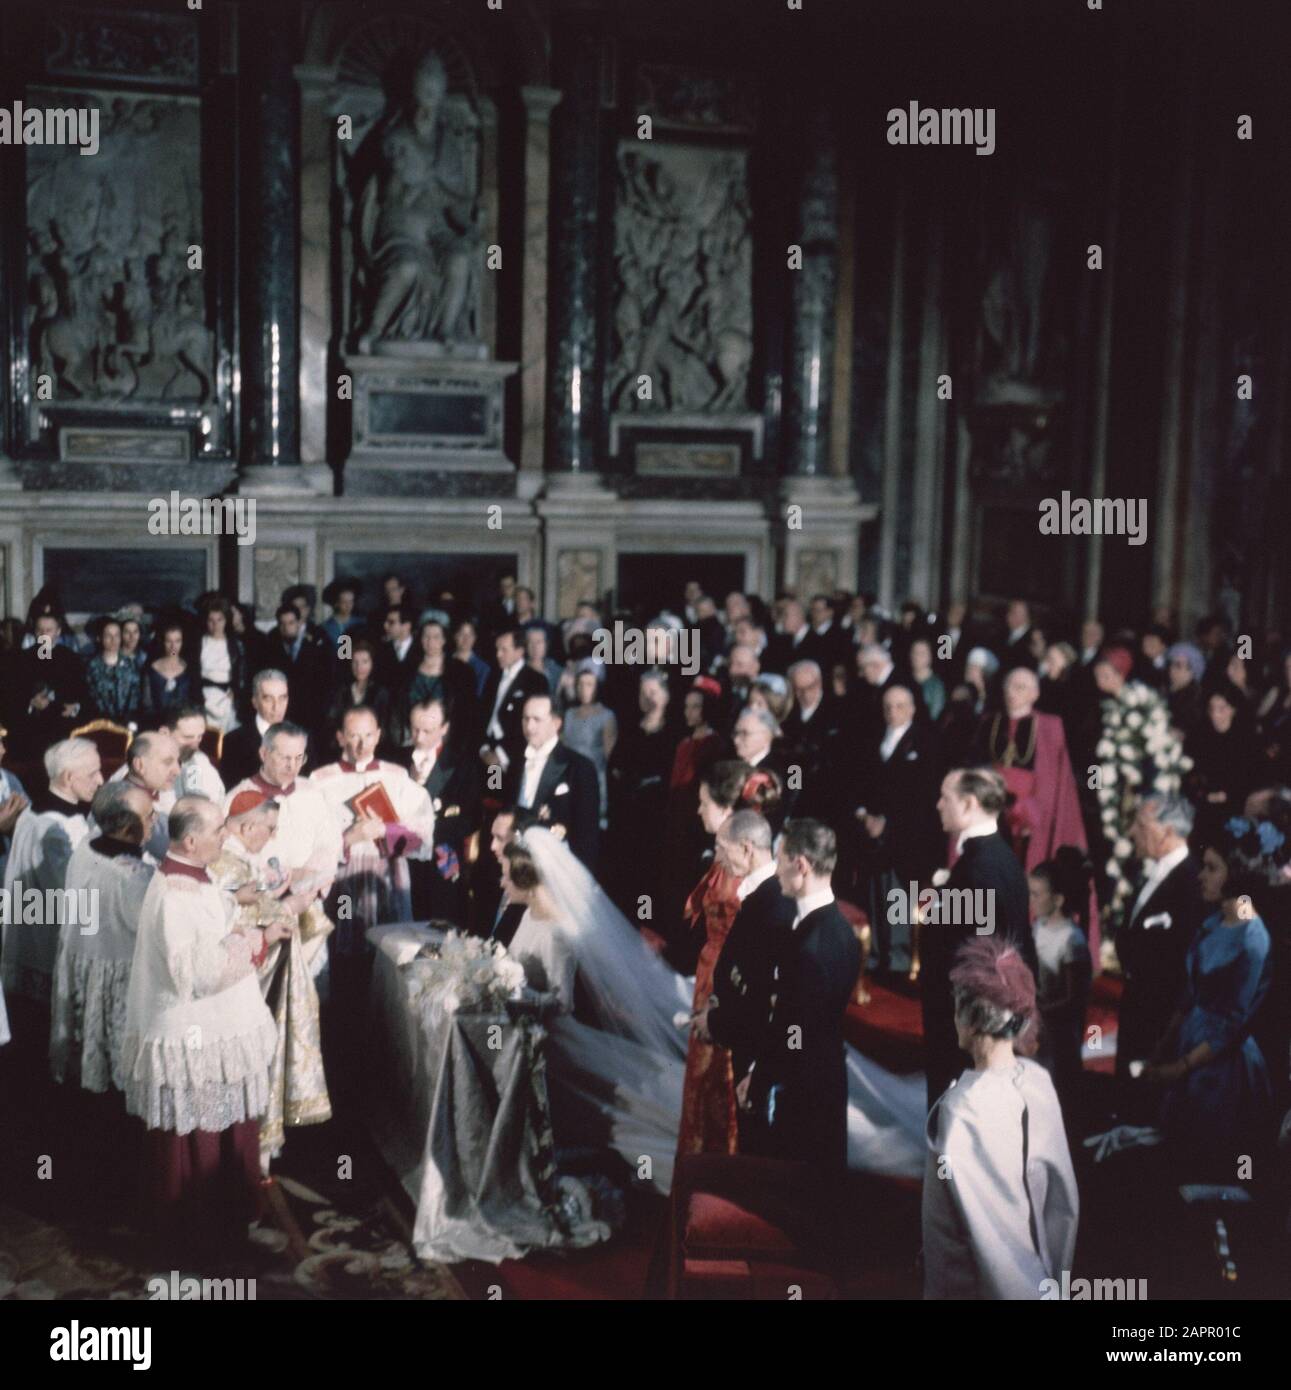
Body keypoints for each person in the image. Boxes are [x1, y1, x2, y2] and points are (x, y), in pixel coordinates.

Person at [121, 796, 288, 1259]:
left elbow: (207, 915)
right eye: (218, 830)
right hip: (195, 1034)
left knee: (221, 1123)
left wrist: (236, 905)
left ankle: (224, 1222)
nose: (226, 835)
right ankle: (201, 1235)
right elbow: (197, 974)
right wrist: (258, 940)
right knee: (201, 1133)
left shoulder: (189, 874)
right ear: (191, 840)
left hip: (212, 1031)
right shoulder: (175, 893)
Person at [921, 936, 1079, 1300]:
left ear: (970, 1019)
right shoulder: (1038, 1082)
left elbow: (997, 1248)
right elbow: (1062, 1209)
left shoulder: (963, 1112)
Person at [1143, 816, 1279, 1179]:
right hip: (1191, 1038)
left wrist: (1179, 1067)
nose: (1201, 875)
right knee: (1175, 1160)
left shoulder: (1253, 937)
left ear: (1237, 873)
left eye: (1212, 868)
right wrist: (1165, 1042)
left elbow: (1234, 1024)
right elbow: (1190, 993)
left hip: (1221, 1064)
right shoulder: (1213, 922)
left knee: (1208, 1162)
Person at [209, 790, 331, 1172]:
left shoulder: (232, 858)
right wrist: (294, 907)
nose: (273, 838)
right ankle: (245, 1170)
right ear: (246, 826)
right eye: (270, 829)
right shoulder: (228, 866)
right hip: (236, 997)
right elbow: (244, 930)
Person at [739, 819, 860, 1168]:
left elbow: (791, 1030)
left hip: (802, 1095)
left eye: (779, 860)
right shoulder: (843, 932)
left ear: (801, 865)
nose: (775, 871)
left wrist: (760, 1081)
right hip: (830, 1078)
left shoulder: (809, 946)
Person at [677, 761, 780, 1155]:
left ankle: (722, 1149)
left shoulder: (740, 870)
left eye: (704, 803)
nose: (699, 810)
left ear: (725, 810)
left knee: (722, 1066)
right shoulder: (723, 860)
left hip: (728, 975)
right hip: (710, 969)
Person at [924, 767, 1037, 1109]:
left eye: (946, 797)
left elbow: (975, 955)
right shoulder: (995, 857)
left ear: (969, 804)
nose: (938, 804)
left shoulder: (980, 868)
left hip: (967, 1024)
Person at [971, 666, 1099, 960]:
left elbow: (1052, 778)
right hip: (996, 814)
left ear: (1035, 692)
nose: (1012, 692)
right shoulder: (989, 721)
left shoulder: (1049, 725)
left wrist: (1030, 814)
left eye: (1020, 686)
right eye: (1009, 685)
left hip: (1030, 818)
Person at [695, 810, 796, 1152]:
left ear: (747, 848)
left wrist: (719, 1022)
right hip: (744, 1043)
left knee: (759, 1148)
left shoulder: (774, 904)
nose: (718, 857)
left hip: (758, 1057)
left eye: (723, 848)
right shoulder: (759, 895)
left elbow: (764, 996)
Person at [50, 781, 156, 1092]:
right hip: (117, 970)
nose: (155, 820)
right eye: (149, 816)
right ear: (125, 828)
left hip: (85, 955)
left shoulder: (88, 843)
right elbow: (152, 931)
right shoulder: (133, 876)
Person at [2, 738, 102, 1030]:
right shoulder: (52, 827)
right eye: (94, 773)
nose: (101, 779)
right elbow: (70, 895)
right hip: (46, 942)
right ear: (69, 778)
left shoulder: (38, 814)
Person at [1115, 794, 1203, 1108]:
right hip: (1135, 1010)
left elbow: (1185, 963)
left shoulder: (1192, 883)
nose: (1131, 833)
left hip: (1162, 1022)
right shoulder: (1151, 873)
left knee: (1149, 1108)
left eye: (1140, 824)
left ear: (1166, 831)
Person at [851, 684, 943, 975]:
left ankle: (900, 958)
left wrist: (888, 823)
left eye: (901, 706)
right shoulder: (873, 739)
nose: (893, 712)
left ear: (913, 708)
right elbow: (860, 783)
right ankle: (876, 955)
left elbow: (924, 794)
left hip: (909, 837)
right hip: (872, 836)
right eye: (888, 706)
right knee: (875, 895)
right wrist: (864, 815)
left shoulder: (926, 742)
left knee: (899, 896)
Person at [396, 698, 482, 924]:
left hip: (440, 868)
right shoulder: (396, 760)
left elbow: (470, 820)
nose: (419, 737)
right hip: (400, 865)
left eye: (427, 731)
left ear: (444, 728)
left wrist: (423, 829)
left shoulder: (464, 766)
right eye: (414, 729)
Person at [502, 693, 599, 868]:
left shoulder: (580, 767)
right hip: (516, 864)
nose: (529, 726)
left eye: (537, 720)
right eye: (525, 719)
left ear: (556, 723)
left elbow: (586, 838)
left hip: (556, 866)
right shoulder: (515, 762)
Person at [1028, 853, 1092, 1113]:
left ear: (1058, 899)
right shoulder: (1037, 927)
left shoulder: (1071, 940)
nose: (1031, 901)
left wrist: (1038, 1012)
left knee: (1055, 1094)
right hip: (1035, 1024)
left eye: (1036, 895)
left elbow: (1073, 997)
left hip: (1057, 1032)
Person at [479, 626, 548, 772]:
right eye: (497, 649)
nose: (498, 654)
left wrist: (501, 756)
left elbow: (531, 724)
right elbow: (483, 714)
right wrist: (484, 748)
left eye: (504, 650)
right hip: (486, 753)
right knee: (490, 790)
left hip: (512, 758)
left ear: (519, 651)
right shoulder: (493, 676)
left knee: (501, 790)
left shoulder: (535, 681)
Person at [105, 730, 180, 864]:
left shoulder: (142, 784)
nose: (177, 771)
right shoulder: (136, 810)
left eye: (177, 762)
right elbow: (182, 851)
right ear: (139, 765)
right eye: (167, 762)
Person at [559, 666, 617, 825]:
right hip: (569, 776)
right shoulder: (569, 714)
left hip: (593, 778)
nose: (584, 688)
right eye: (580, 684)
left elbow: (609, 754)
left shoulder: (606, 716)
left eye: (589, 684)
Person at [222, 671, 296, 788]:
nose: (276, 707)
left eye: (282, 698)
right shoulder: (234, 742)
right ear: (255, 702)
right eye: (268, 699)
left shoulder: (303, 738)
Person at [197, 594, 246, 734]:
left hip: (226, 698)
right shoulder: (199, 643)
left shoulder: (236, 644)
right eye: (211, 620)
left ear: (226, 620)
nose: (215, 624)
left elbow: (241, 673)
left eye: (219, 620)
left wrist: (236, 692)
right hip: (204, 698)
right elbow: (176, 654)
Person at [85, 616, 142, 723]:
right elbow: (92, 698)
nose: (113, 640)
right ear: (99, 638)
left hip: (128, 722)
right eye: (108, 636)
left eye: (117, 635)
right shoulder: (92, 666)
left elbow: (135, 696)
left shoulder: (131, 664)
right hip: (101, 722)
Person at [163, 706, 225, 804]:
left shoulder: (197, 762)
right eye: (187, 737)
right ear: (165, 733)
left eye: (199, 737)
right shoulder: (146, 766)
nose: (195, 746)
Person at [145, 621, 194, 717]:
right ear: (163, 642)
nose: (173, 646)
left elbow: (191, 702)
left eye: (177, 641)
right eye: (169, 641)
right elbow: (147, 705)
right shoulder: (151, 669)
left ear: (182, 642)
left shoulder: (189, 669)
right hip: (155, 723)